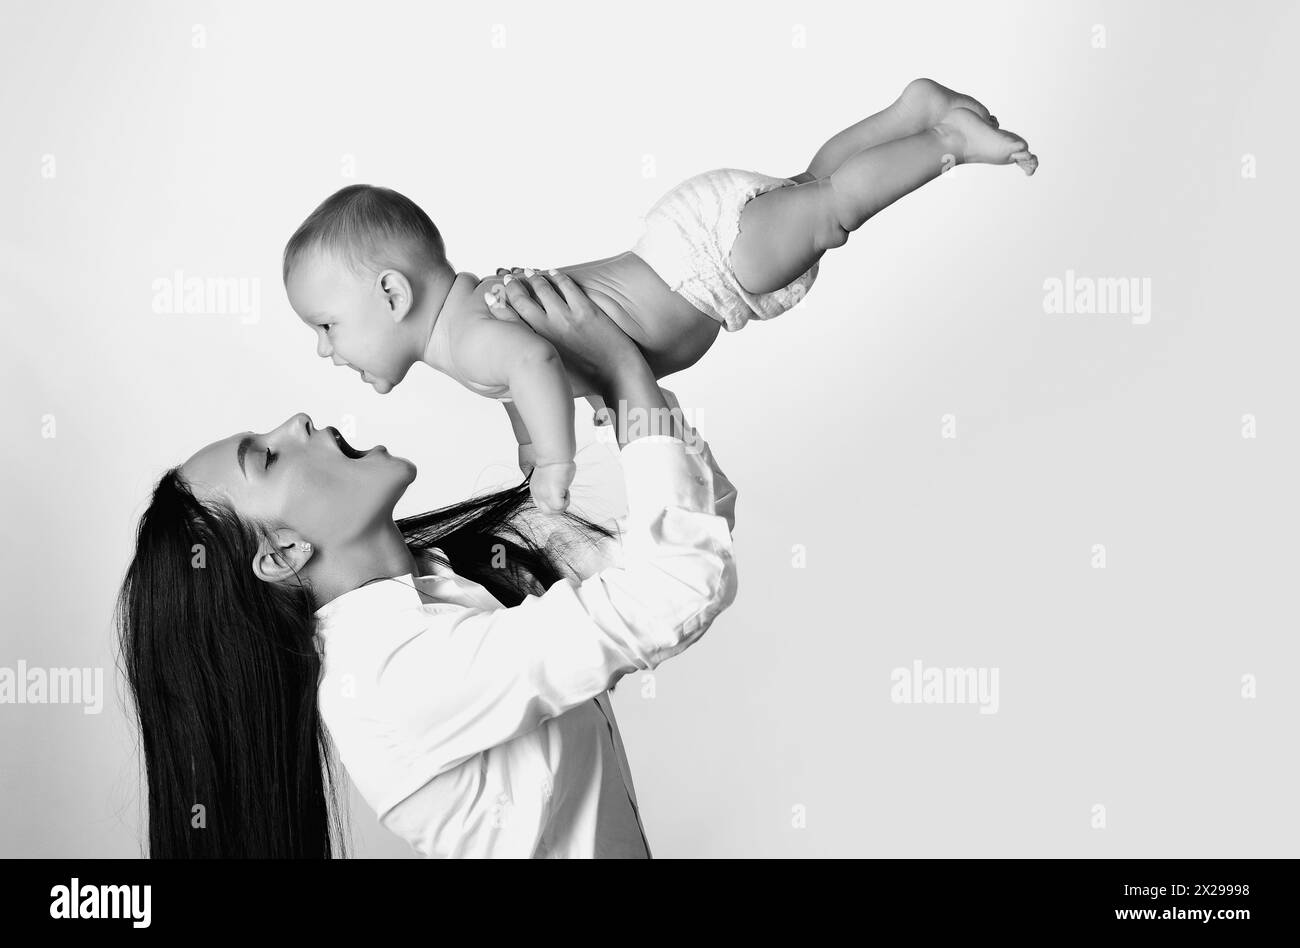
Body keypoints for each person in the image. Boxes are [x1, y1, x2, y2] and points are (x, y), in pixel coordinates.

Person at [116, 277, 738, 857]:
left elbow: (695, 530)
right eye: (269, 457)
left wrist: (607, 390)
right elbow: (673, 590)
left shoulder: (440, 578)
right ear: (282, 556)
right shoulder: (390, 676)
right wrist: (623, 370)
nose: (297, 420)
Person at [280, 77, 1036, 511]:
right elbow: (521, 374)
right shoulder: (470, 331)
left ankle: (945, 146)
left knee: (832, 211)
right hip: (686, 242)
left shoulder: (474, 337)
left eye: (326, 324)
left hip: (702, 262)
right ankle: (912, 111)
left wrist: (553, 465)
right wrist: (524, 437)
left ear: (390, 293)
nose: (324, 348)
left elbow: (537, 366)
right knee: (814, 186)